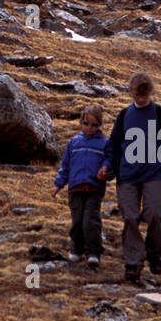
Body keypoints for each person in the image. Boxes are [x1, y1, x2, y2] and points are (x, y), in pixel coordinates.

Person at [99, 71, 161, 284]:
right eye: (138, 96)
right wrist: (107, 165)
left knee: (155, 212)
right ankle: (133, 262)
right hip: (127, 174)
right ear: (132, 93)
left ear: (151, 92)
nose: (141, 99)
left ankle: (154, 253)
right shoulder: (124, 115)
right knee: (130, 217)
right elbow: (114, 146)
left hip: (155, 172)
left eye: (145, 96)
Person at [51, 106, 107, 271]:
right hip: (75, 189)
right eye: (86, 123)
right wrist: (58, 185)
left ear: (100, 125)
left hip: (94, 189)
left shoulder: (104, 144)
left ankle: (93, 252)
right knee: (77, 221)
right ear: (81, 122)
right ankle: (77, 248)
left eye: (94, 125)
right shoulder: (74, 142)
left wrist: (106, 170)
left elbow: (109, 162)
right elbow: (65, 166)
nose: (89, 128)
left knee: (90, 220)